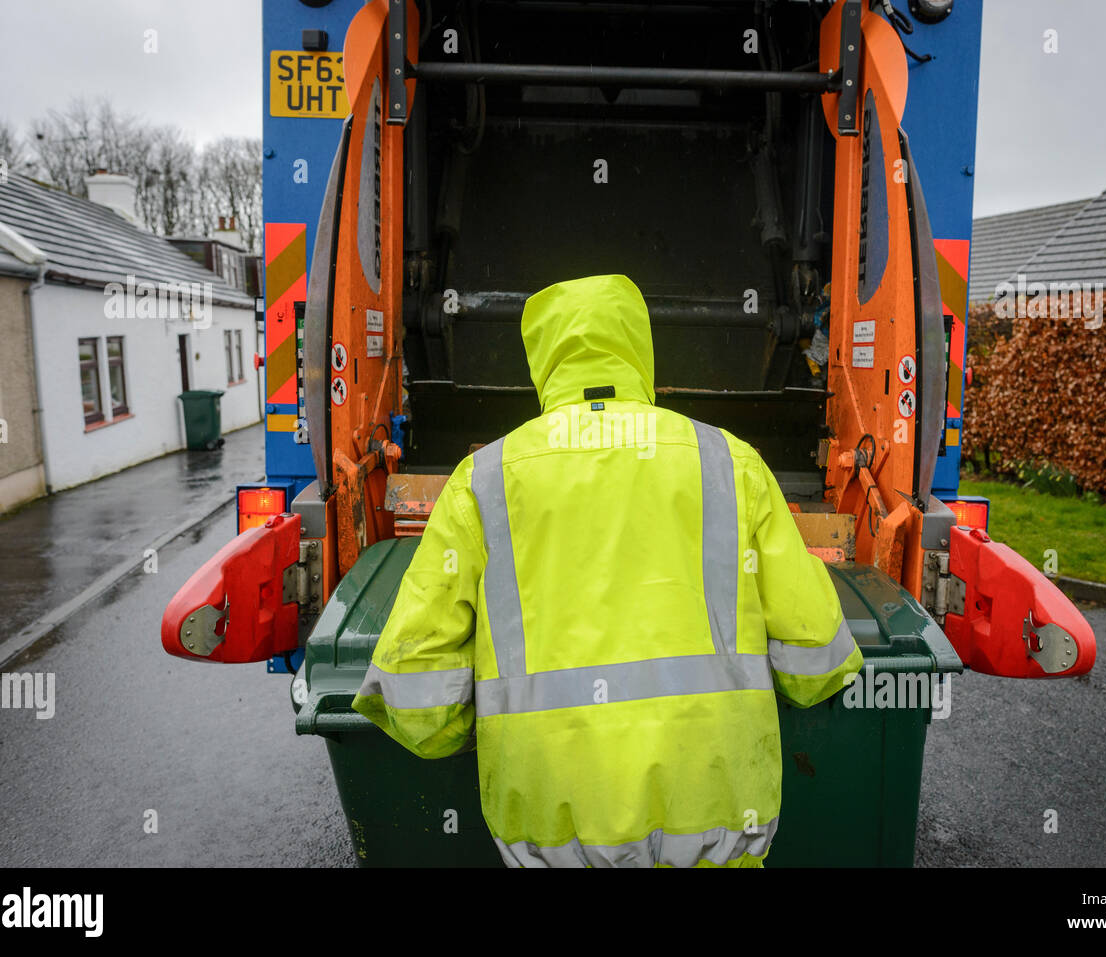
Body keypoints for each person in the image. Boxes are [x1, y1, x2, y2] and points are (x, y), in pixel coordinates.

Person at [353, 274, 861, 867]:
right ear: (640, 349)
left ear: (541, 360)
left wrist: (471, 727)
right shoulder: (729, 463)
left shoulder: (483, 480)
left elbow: (418, 707)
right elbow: (816, 658)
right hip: (716, 833)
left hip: (549, 836)